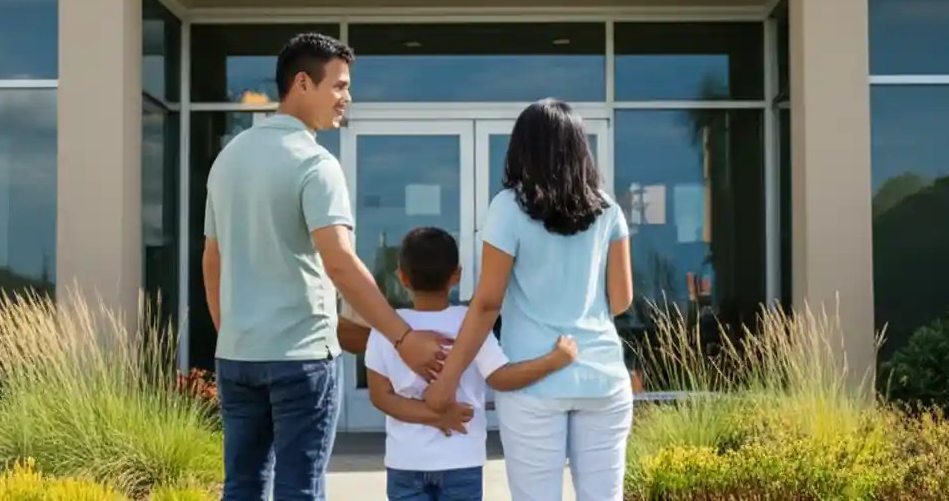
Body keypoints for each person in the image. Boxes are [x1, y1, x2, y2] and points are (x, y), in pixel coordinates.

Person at [202, 32, 451, 501]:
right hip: (301, 360)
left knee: (242, 486)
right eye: (338, 86)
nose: (347, 98)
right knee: (300, 489)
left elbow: (212, 260)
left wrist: (230, 334)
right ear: (301, 83)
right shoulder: (316, 164)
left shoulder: (227, 159)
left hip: (237, 357)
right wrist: (402, 337)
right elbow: (339, 262)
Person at [423, 98, 635, 501]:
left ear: (522, 147)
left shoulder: (509, 208)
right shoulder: (608, 210)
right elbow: (621, 300)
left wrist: (447, 379)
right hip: (603, 377)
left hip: (532, 382)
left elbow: (488, 303)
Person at [364, 227, 578, 501]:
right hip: (461, 461)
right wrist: (555, 359)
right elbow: (500, 377)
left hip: (405, 462)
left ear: (402, 277)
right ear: (457, 275)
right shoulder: (469, 323)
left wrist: (434, 415)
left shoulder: (388, 329)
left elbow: (380, 397)